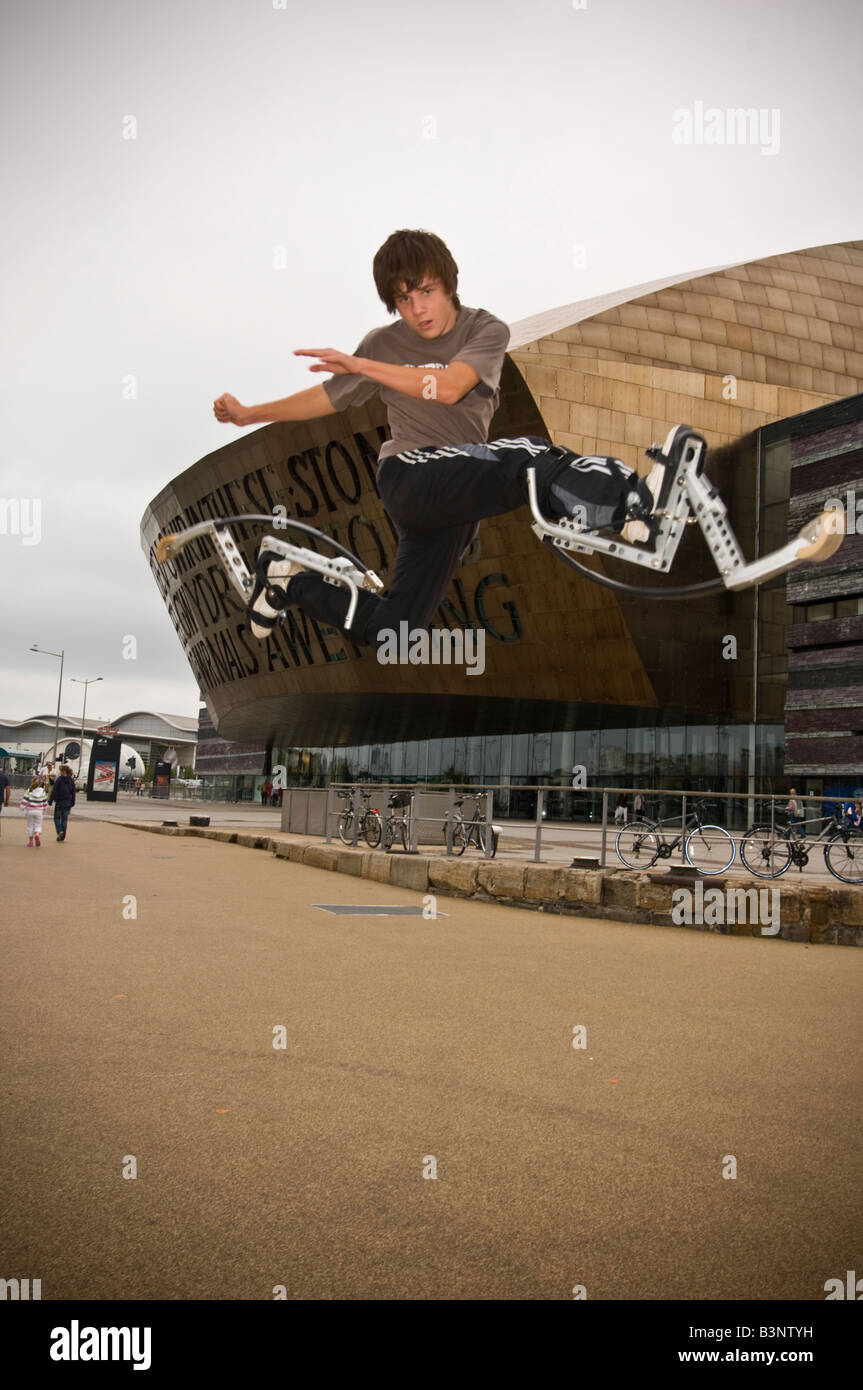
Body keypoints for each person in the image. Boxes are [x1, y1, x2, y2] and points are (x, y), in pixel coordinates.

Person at [213, 229, 692, 648]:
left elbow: (449, 386)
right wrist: (250, 413)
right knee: (530, 459)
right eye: (403, 299)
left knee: (395, 630)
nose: (417, 309)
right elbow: (328, 398)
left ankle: (287, 579)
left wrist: (363, 366)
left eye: (425, 291)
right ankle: (633, 499)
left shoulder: (485, 330)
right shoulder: (383, 342)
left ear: (448, 284)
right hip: (410, 476)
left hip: (452, 512)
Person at [48, 764, 76, 842]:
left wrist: (50, 800)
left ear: (63, 771)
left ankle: (60, 831)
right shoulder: (71, 780)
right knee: (64, 819)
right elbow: (73, 792)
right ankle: (63, 836)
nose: (59, 772)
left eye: (60, 771)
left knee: (56, 818)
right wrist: (73, 802)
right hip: (68, 802)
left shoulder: (59, 780)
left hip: (60, 802)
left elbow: (54, 791)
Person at [21, 777, 49, 848]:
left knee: (30, 826)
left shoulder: (29, 790)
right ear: (40, 784)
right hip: (39, 811)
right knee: (38, 825)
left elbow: (25, 799)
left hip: (30, 810)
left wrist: (22, 807)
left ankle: (30, 842)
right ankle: (37, 835)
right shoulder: (42, 791)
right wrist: (45, 808)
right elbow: (44, 801)